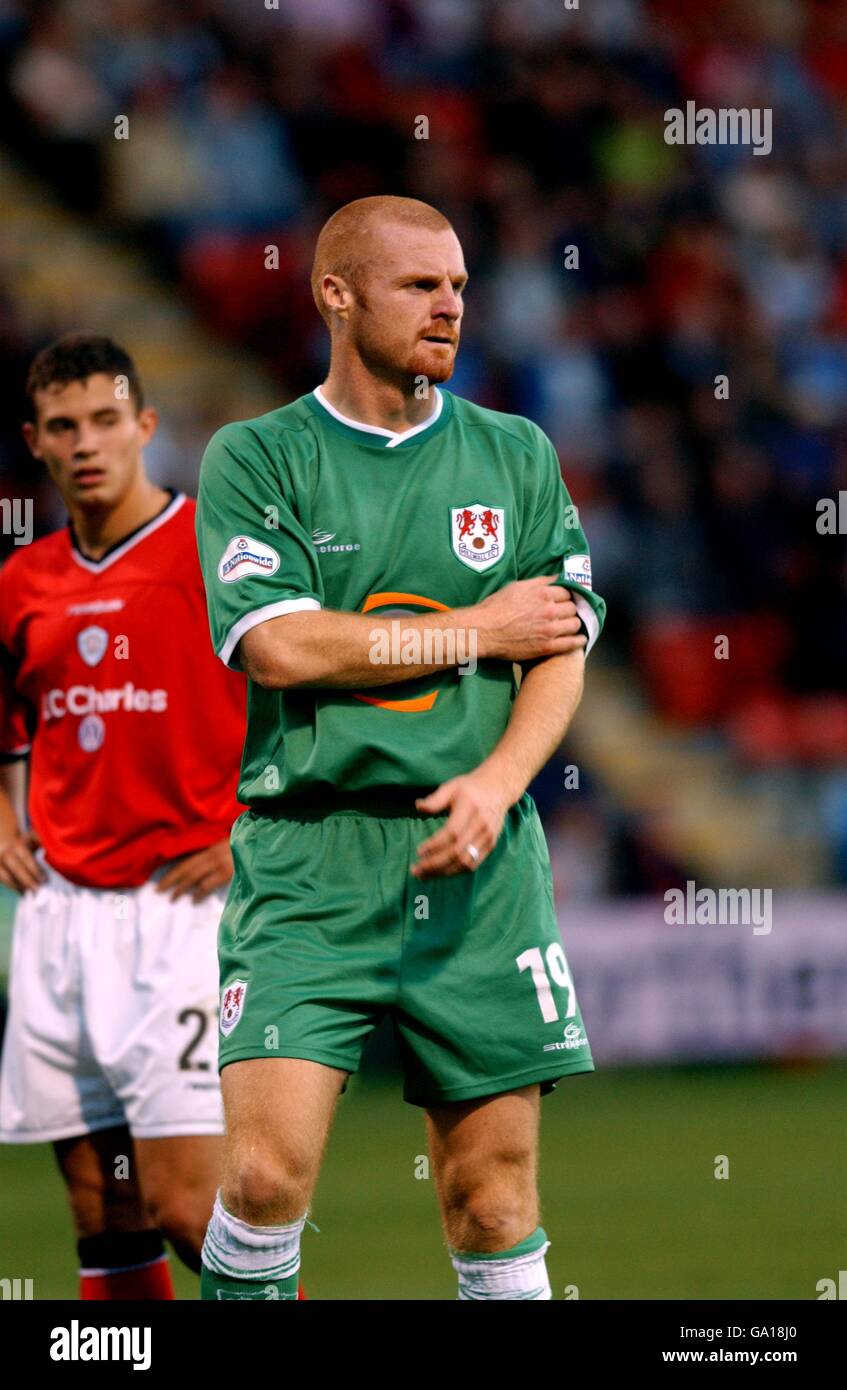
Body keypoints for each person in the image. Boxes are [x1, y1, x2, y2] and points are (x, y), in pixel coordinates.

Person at [195, 195, 606, 1301]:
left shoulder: (514, 453)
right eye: (421, 285)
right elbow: (279, 645)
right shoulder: (259, 455)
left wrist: (498, 779)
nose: (450, 307)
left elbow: (559, 645)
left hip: (480, 860)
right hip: (308, 856)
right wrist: (479, 629)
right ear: (337, 293)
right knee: (265, 1174)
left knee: (493, 1195)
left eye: (460, 286)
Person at [0, 333, 246, 1299]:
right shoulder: (20, 586)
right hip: (60, 919)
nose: (87, 443)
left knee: (191, 1208)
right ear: (37, 443)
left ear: (145, 425)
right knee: (104, 1212)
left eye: (106, 420)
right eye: (64, 427)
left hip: (181, 914)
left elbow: (308, 696)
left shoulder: (213, 553)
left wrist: (246, 833)